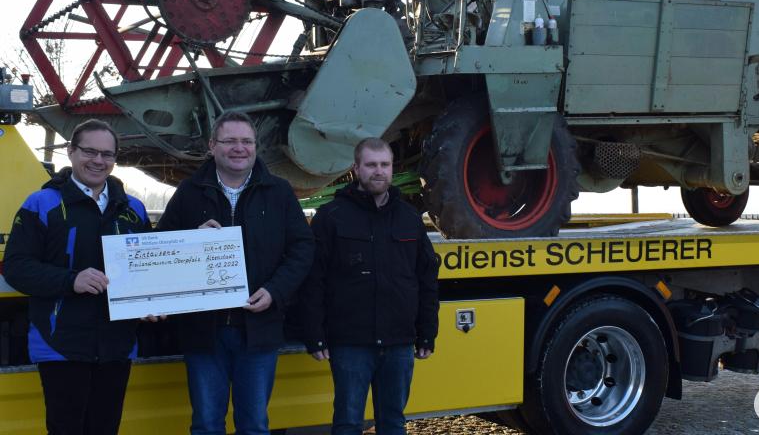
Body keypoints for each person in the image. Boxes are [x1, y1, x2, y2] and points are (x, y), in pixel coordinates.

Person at [157, 111, 314, 435]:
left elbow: (302, 249)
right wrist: (191, 240)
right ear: (213, 146)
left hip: (258, 330)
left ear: (256, 147)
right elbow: (161, 250)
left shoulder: (279, 192)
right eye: (230, 141)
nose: (238, 148)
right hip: (204, 332)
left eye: (246, 141)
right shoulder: (189, 192)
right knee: (206, 424)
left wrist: (275, 291)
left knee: (254, 425)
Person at [3, 119, 151, 435]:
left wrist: (153, 298)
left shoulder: (133, 209)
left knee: (105, 428)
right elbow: (16, 267)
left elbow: (147, 267)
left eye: (107, 154)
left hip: (116, 344)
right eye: (90, 151)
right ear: (71, 152)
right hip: (60, 343)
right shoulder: (41, 204)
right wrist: (71, 280)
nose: (98, 161)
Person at [302, 137, 439, 435]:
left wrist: (427, 332)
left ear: (392, 169)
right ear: (356, 169)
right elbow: (314, 279)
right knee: (348, 423)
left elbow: (427, 278)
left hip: (398, 342)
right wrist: (315, 334)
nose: (379, 171)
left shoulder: (409, 219)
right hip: (351, 343)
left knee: (393, 422)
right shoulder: (332, 217)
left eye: (385, 165)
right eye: (371, 165)